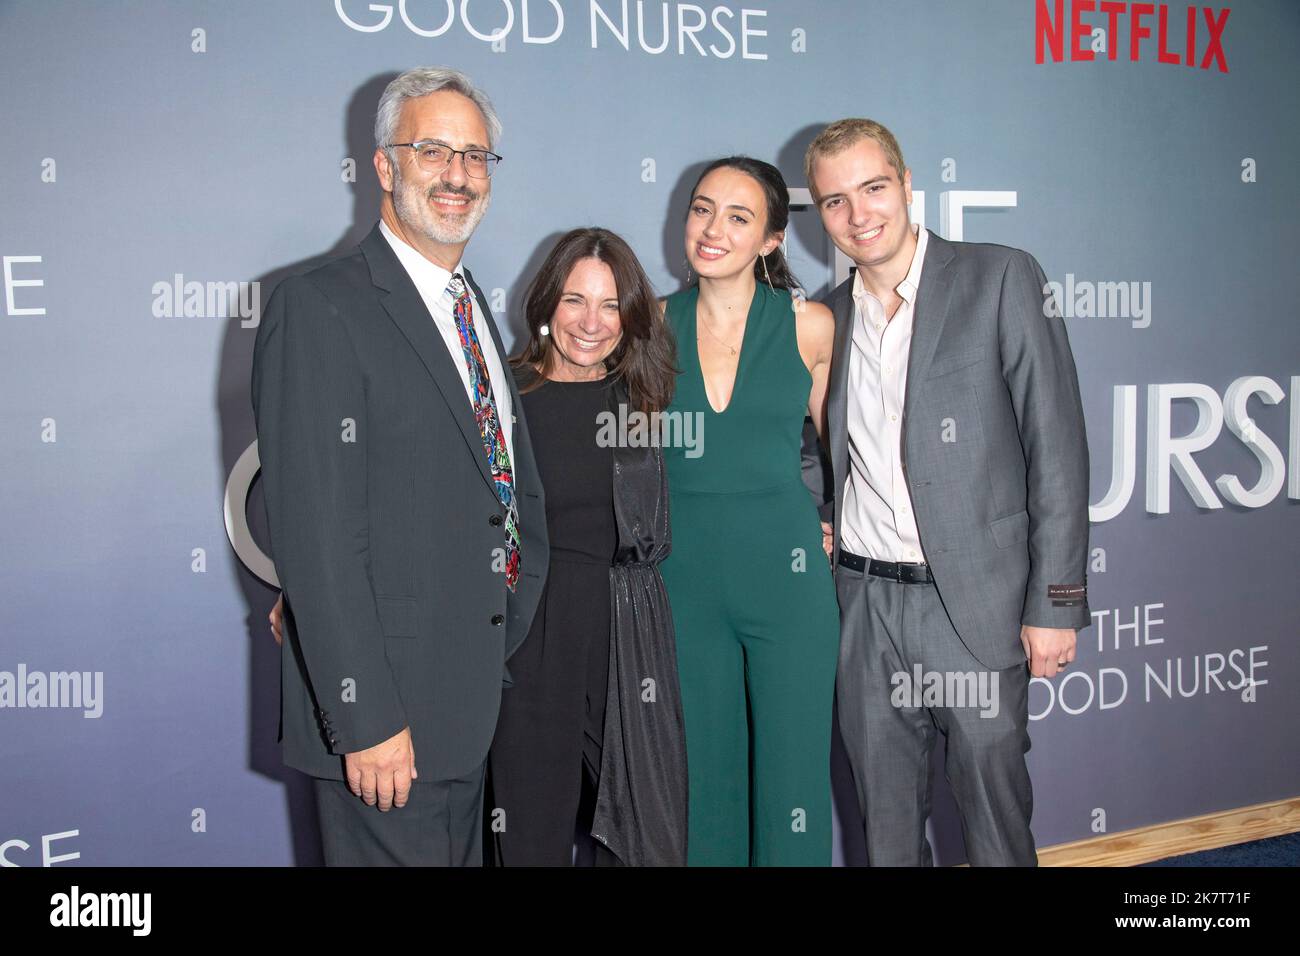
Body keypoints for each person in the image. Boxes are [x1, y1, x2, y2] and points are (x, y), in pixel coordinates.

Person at [251, 66, 548, 866]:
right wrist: (367, 717)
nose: (458, 174)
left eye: (476, 156)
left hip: (468, 703)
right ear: (384, 166)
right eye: (433, 150)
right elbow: (315, 535)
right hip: (388, 726)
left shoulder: (469, 301)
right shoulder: (318, 307)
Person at [805, 118, 1091, 866]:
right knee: (884, 822)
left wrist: (1054, 603)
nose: (858, 214)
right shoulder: (825, 318)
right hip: (863, 608)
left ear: (906, 185)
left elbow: (1055, 445)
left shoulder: (999, 276)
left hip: (974, 605)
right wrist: (820, 516)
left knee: (994, 820)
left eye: (873, 188)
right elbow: (812, 447)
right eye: (835, 201)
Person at [657, 156, 840, 866]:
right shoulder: (645, 327)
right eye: (702, 209)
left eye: (738, 217)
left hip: (787, 583)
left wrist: (838, 524)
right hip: (682, 585)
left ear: (770, 238)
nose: (712, 229)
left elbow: (850, 456)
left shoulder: (809, 326)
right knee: (704, 783)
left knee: (793, 781)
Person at [488, 227, 686, 866]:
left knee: (640, 837)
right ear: (546, 304)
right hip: (527, 633)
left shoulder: (642, 400)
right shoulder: (501, 397)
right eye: (575, 300)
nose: (591, 323)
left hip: (625, 636)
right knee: (526, 835)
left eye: (610, 306)